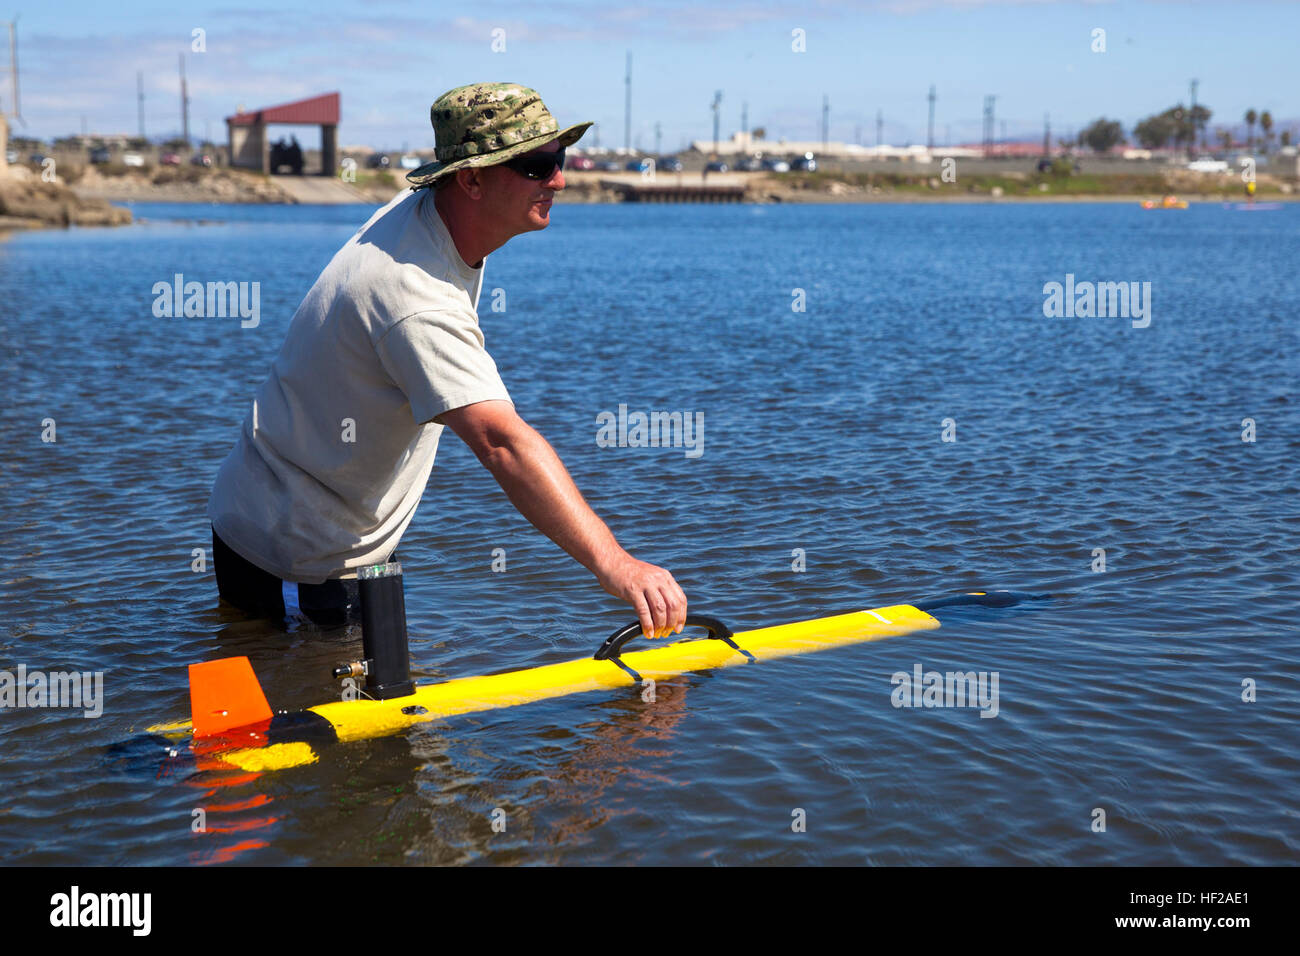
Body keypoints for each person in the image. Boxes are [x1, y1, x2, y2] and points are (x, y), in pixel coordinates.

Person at [207, 82, 688, 640]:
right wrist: (617, 564)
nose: (558, 179)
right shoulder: (414, 295)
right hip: (290, 552)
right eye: (535, 165)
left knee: (383, 703)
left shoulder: (434, 218)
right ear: (471, 179)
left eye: (558, 158)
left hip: (330, 528)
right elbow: (501, 443)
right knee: (312, 706)